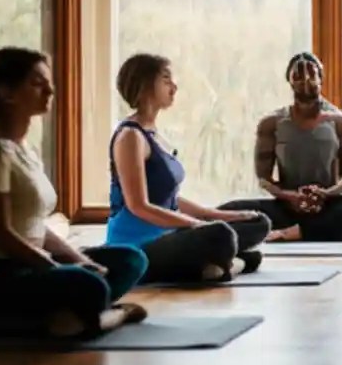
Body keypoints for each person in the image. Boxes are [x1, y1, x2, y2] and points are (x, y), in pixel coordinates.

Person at [0, 47, 148, 337]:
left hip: (32, 265)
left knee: (131, 260)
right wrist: (54, 267)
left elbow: (36, 227)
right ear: (8, 93)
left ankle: (67, 316)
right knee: (89, 285)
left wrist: (82, 262)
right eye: (37, 82)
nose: (50, 89)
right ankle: (91, 315)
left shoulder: (25, 150)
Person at [106, 53, 270, 282]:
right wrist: (199, 225)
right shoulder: (130, 137)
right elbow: (138, 206)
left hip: (170, 233)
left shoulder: (155, 135)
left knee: (258, 222)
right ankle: (223, 263)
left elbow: (171, 198)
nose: (174, 86)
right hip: (139, 245)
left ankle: (218, 265)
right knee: (220, 234)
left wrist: (217, 215)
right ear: (144, 85)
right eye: (165, 80)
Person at [219, 52, 342, 241]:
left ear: (320, 79)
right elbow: (263, 177)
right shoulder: (272, 122)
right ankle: (334, 230)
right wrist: (290, 197)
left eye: (311, 75)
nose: (305, 80)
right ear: (290, 81)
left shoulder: (340, 121)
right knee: (226, 211)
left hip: (328, 205)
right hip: (287, 207)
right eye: (298, 76)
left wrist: (327, 194)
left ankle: (293, 233)